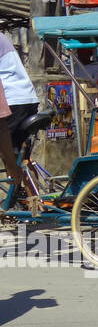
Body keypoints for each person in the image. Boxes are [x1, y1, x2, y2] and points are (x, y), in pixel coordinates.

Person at [0, 31, 42, 210]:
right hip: (28, 98)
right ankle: (36, 204)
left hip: (11, 99)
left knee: (7, 150)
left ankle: (17, 201)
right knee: (22, 157)